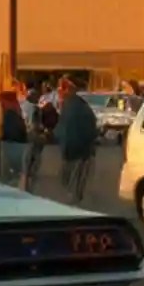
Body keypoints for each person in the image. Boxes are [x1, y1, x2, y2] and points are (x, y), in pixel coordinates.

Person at [54, 76, 98, 204]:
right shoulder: (81, 106)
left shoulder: (71, 107)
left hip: (74, 154)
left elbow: (64, 131)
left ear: (67, 90)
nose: (59, 93)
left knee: (70, 189)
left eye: (61, 90)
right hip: (83, 153)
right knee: (77, 190)